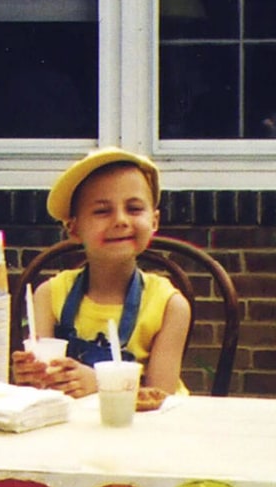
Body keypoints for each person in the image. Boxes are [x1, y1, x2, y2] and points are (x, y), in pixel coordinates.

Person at [12, 147, 191, 398]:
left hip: (141, 421)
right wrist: (32, 376)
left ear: (154, 221)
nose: (120, 220)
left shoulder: (169, 306)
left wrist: (100, 383)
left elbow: (159, 397)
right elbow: (41, 392)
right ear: (73, 228)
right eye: (102, 211)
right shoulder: (49, 296)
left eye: (134, 208)